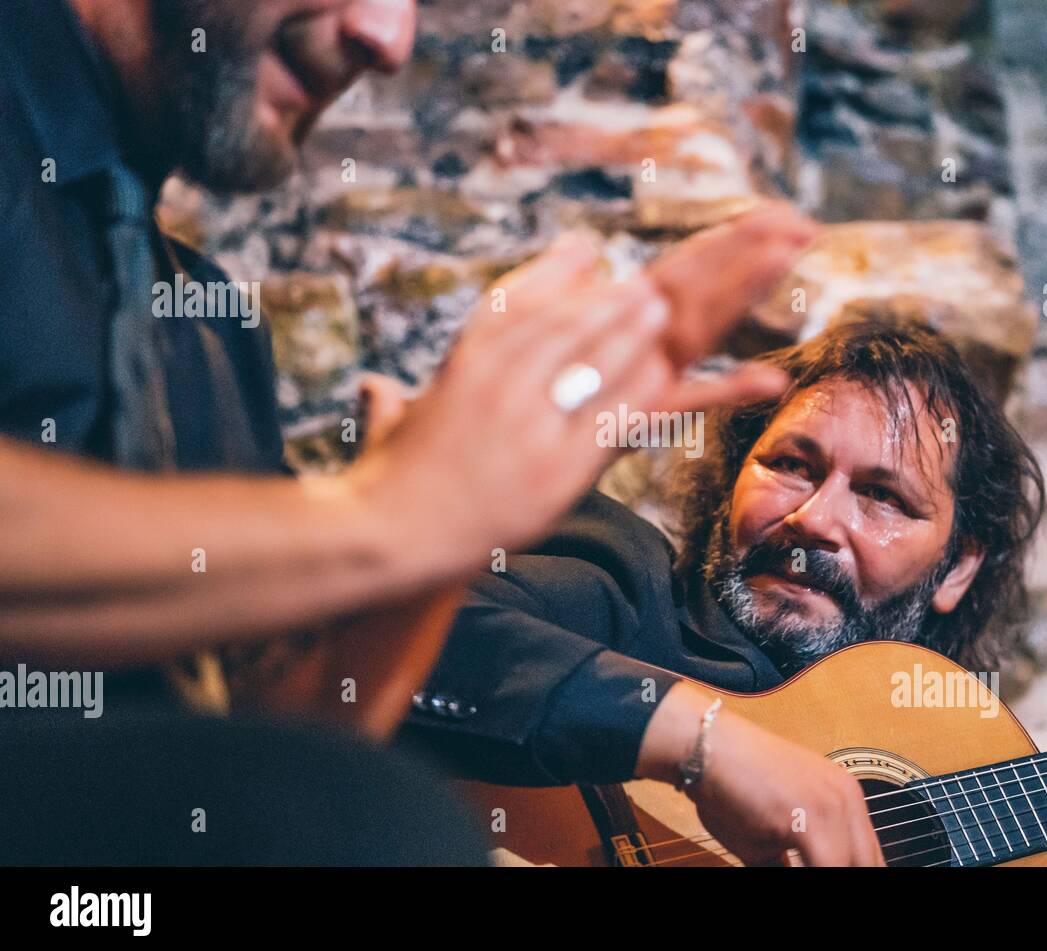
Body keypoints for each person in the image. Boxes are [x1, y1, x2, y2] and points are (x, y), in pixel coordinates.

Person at [0, 0, 812, 863]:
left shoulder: (204, 327)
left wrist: (451, 538)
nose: (385, 39)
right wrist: (388, 514)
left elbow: (284, 756)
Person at [412, 319, 1047, 867]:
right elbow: (403, 640)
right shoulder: (623, 580)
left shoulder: (962, 752)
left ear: (957, 567)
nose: (816, 518)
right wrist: (706, 745)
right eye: (790, 465)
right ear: (732, 484)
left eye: (882, 496)